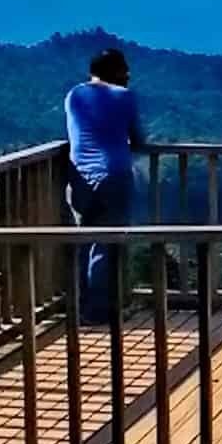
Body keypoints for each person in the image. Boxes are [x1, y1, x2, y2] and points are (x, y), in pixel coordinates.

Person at [65, 47, 146, 325]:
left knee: (83, 242)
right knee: (106, 245)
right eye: (124, 69)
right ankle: (98, 313)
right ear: (113, 71)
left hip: (79, 179)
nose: (128, 75)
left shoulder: (74, 95)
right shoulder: (125, 97)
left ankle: (79, 308)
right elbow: (138, 140)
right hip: (114, 175)